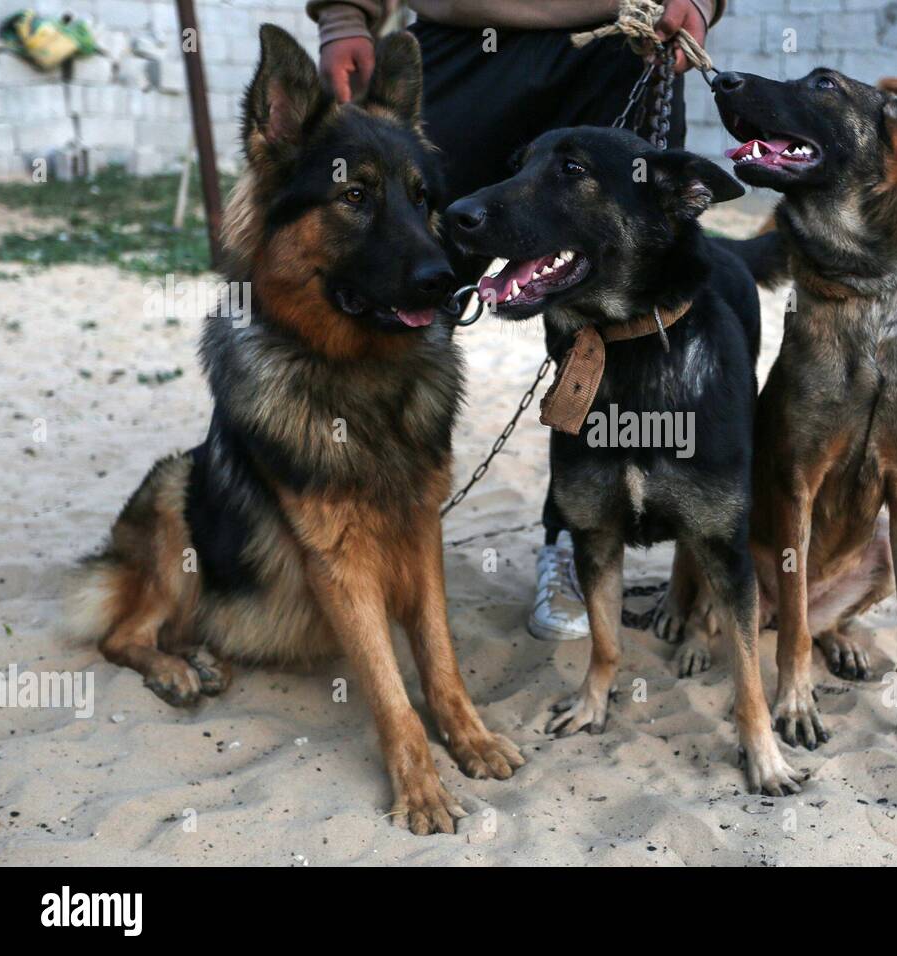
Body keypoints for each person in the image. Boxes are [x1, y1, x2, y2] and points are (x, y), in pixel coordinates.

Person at [307, 0, 723, 641]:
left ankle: (574, 539)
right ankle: (352, 535)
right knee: (394, 278)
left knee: (612, 315)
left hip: (621, 43)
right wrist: (345, 16)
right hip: (462, 46)